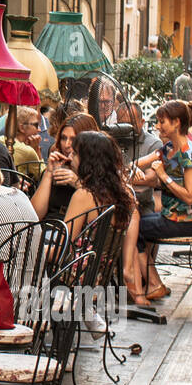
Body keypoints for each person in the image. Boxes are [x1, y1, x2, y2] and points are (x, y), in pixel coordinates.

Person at [64, 130, 146, 306]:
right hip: (102, 277)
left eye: (75, 153)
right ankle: (89, 316)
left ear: (88, 160)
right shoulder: (125, 195)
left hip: (76, 276)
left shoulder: (84, 196)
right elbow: (134, 221)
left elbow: (63, 245)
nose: (70, 156)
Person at [133, 99, 192, 300]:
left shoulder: (188, 153)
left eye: (162, 122)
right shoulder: (168, 148)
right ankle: (152, 283)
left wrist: (163, 176)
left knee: (132, 229)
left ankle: (153, 283)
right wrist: (131, 169)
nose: (157, 126)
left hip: (185, 222)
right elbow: (143, 161)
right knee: (132, 225)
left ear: (176, 123)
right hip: (169, 217)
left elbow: (190, 196)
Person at [31, 112, 99, 222]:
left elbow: (99, 219)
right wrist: (48, 173)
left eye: (73, 139)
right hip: (48, 229)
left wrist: (78, 184)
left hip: (74, 234)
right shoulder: (57, 168)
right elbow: (34, 215)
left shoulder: (97, 172)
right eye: (63, 138)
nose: (67, 145)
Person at [0, 107, 44, 183]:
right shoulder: (28, 151)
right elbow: (42, 176)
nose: (39, 129)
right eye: (36, 125)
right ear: (22, 127)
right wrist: (37, 150)